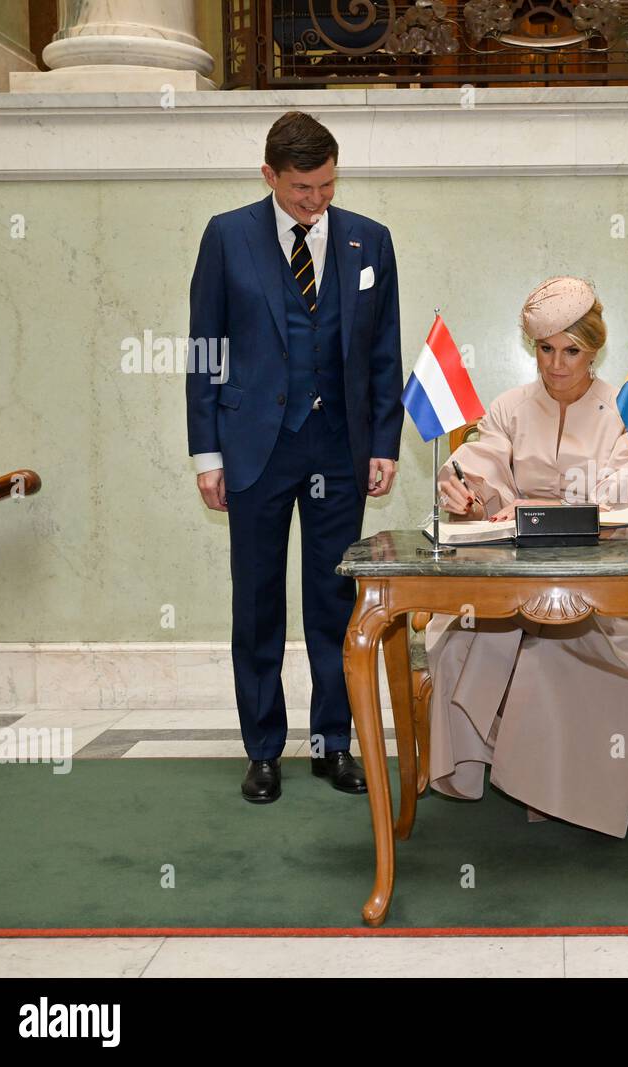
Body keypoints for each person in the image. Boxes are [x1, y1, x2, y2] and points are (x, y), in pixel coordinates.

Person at [425, 277, 628, 837]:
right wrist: (463, 489)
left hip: (607, 592)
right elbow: (482, 466)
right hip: (513, 585)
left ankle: (562, 790)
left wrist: (547, 506)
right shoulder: (509, 407)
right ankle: (509, 775)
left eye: (570, 350)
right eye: (545, 349)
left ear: (593, 349)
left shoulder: (627, 408)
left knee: (554, 651)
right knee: (463, 640)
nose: (556, 365)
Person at [186, 111, 405, 803]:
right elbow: (206, 349)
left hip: (339, 449)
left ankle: (332, 743)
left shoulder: (371, 241)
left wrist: (384, 444)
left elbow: (383, 350)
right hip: (254, 450)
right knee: (256, 603)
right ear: (270, 175)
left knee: (335, 601)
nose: (317, 200)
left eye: (328, 184)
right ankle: (262, 749)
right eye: (303, 187)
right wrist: (206, 453)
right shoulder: (227, 237)